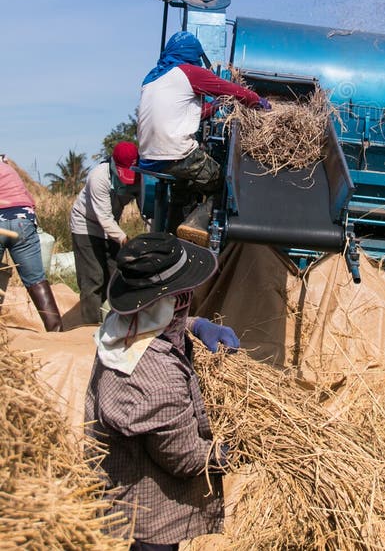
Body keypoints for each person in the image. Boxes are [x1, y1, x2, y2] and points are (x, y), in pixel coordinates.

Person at [85, 232, 240, 550]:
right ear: (175, 300)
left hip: (121, 480)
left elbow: (161, 320)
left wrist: (197, 326)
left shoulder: (124, 323)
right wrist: (236, 452)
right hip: (147, 513)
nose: (190, 298)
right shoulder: (158, 380)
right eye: (185, 294)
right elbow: (185, 459)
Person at [137, 31, 271, 224]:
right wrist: (257, 101)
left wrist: (214, 107)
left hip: (150, 158)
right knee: (224, 183)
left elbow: (178, 115)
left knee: (182, 186)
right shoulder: (188, 72)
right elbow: (230, 90)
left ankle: (175, 231)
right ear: (193, 53)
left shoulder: (152, 79)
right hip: (176, 154)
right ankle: (197, 226)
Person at [71, 141, 141, 324]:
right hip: (87, 225)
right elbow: (104, 217)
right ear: (114, 164)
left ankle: (114, 325)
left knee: (117, 275)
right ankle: (89, 328)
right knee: (93, 279)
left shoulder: (142, 176)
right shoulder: (99, 177)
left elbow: (147, 209)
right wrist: (125, 240)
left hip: (111, 226)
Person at [0, 156, 62, 331]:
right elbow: (29, 199)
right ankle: (56, 330)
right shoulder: (9, 170)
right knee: (36, 280)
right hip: (24, 222)